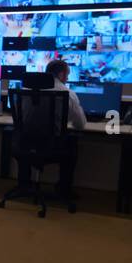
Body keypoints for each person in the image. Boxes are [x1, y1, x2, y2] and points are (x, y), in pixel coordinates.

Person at [44, 59, 84, 199]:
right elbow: (80, 125)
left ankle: (24, 184)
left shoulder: (26, 89)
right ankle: (64, 189)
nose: (67, 79)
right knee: (72, 142)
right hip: (52, 147)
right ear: (61, 75)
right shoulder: (67, 93)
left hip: (25, 144)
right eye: (67, 75)